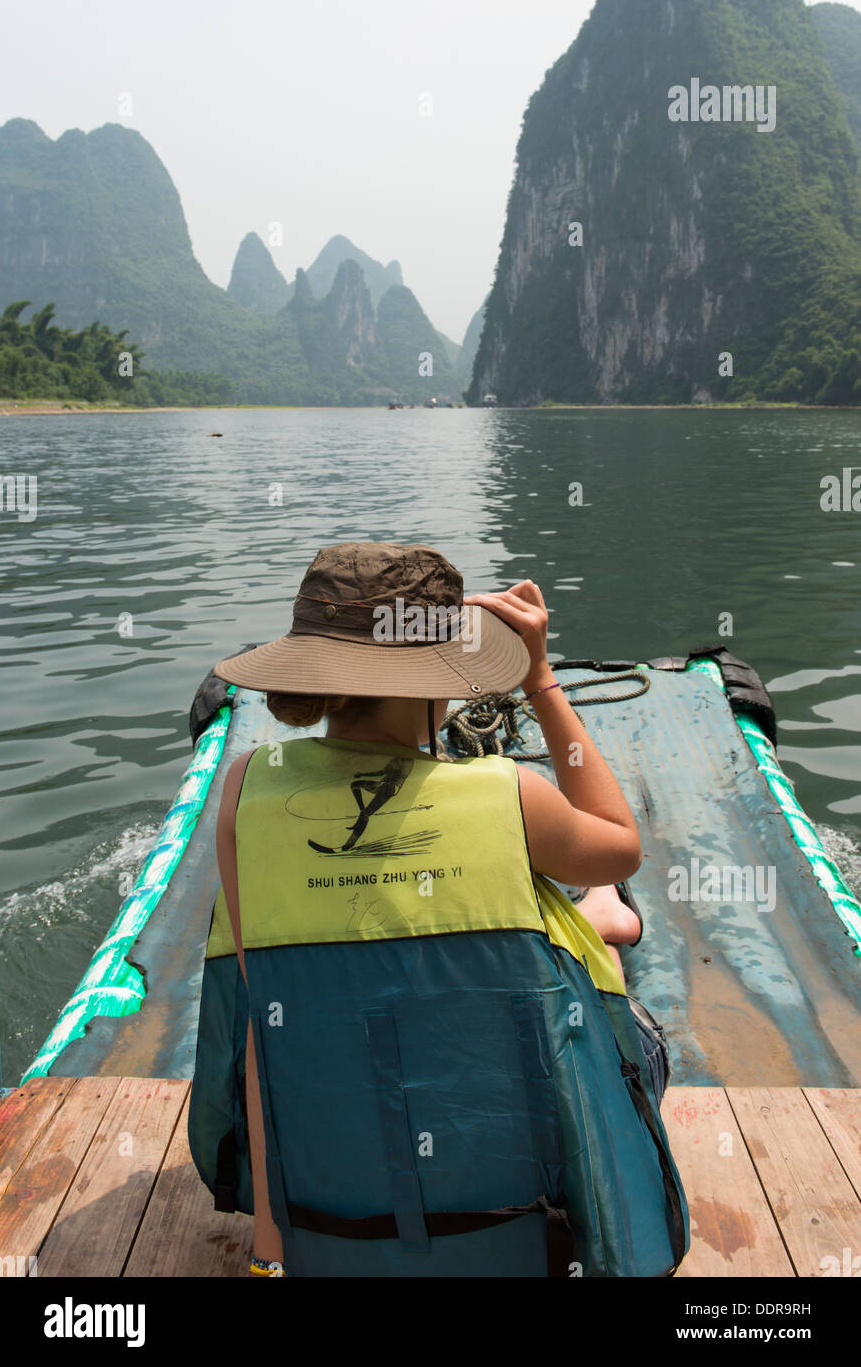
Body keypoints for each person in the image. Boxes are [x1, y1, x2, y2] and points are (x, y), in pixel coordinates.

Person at [199, 541, 684, 1278]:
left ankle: (598, 919)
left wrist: (275, 1246)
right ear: (438, 677)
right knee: (596, 961)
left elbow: (263, 1014)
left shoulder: (243, 788)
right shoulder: (505, 792)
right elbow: (620, 846)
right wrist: (543, 682)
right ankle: (604, 920)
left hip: (333, 1195)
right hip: (515, 1202)